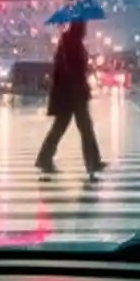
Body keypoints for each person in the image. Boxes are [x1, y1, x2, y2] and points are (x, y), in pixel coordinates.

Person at [35, 20, 105, 174]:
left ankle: (45, 158)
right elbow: (72, 69)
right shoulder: (70, 43)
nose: (86, 30)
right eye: (84, 26)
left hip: (70, 93)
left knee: (64, 127)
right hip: (72, 93)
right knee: (83, 128)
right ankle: (92, 162)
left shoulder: (71, 41)